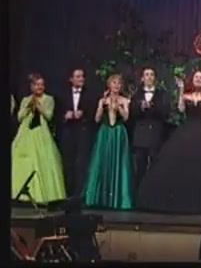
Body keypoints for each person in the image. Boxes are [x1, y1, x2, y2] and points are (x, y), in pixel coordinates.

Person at [137, 70, 201, 214]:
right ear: (192, 79)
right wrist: (181, 91)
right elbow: (181, 109)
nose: (198, 79)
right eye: (196, 77)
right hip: (187, 129)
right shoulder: (186, 96)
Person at [12, 73, 67, 204]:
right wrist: (28, 106)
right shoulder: (26, 99)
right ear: (32, 86)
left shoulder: (49, 99)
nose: (39, 87)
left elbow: (49, 115)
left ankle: (43, 195)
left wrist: (39, 106)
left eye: (41, 84)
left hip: (41, 133)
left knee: (44, 160)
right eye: (37, 85)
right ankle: (21, 195)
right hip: (26, 133)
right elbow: (19, 117)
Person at [84, 74, 134, 209]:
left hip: (118, 133)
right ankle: (99, 198)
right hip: (105, 132)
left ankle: (119, 200)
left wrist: (119, 107)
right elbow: (97, 119)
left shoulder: (125, 100)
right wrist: (101, 106)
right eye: (114, 83)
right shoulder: (103, 100)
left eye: (119, 83)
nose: (116, 85)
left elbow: (126, 118)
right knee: (102, 161)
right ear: (109, 85)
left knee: (119, 162)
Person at [56, 68, 96, 197]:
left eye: (82, 76)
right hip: (67, 132)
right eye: (78, 76)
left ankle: (79, 194)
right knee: (68, 162)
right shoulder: (62, 95)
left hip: (83, 132)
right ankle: (68, 192)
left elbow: (94, 115)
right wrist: (65, 116)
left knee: (81, 163)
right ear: (71, 79)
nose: (81, 79)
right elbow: (56, 114)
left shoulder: (90, 94)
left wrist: (83, 116)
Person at [130, 67, 171, 188]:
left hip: (155, 135)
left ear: (155, 78)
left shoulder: (162, 94)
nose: (149, 77)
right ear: (142, 78)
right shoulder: (136, 95)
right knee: (140, 167)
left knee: (155, 166)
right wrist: (141, 107)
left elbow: (166, 113)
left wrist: (152, 107)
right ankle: (139, 194)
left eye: (151, 75)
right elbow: (132, 113)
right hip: (141, 136)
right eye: (146, 75)